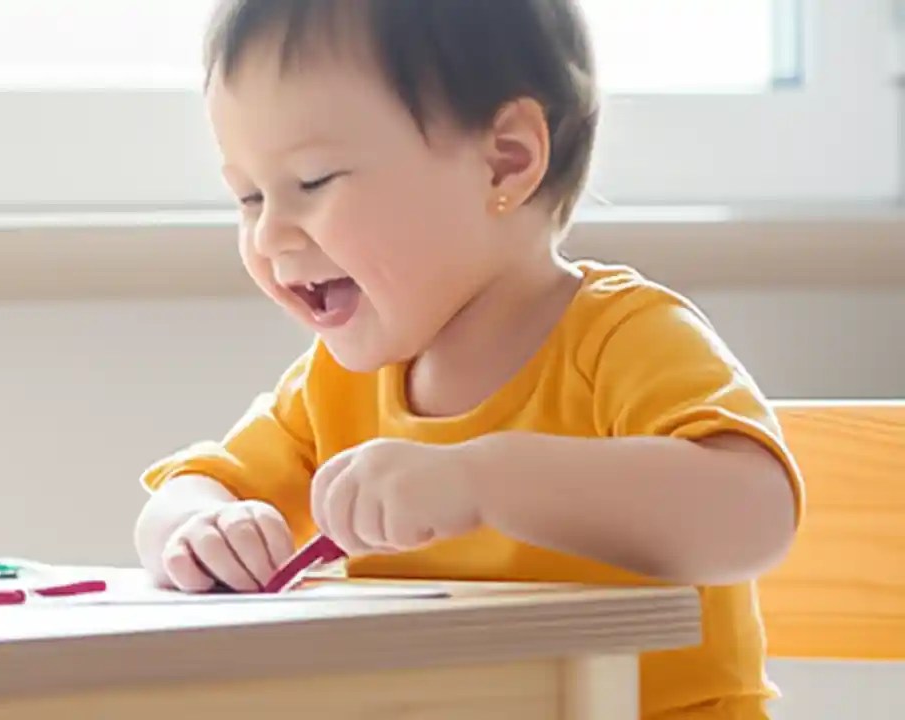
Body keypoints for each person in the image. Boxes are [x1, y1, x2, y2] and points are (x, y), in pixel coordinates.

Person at [132, 1, 804, 717]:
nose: (269, 235)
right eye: (249, 196)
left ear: (503, 162)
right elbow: (189, 492)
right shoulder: (339, 386)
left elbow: (755, 514)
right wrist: (199, 529)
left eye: (316, 180)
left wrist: (485, 479)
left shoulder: (622, 339)